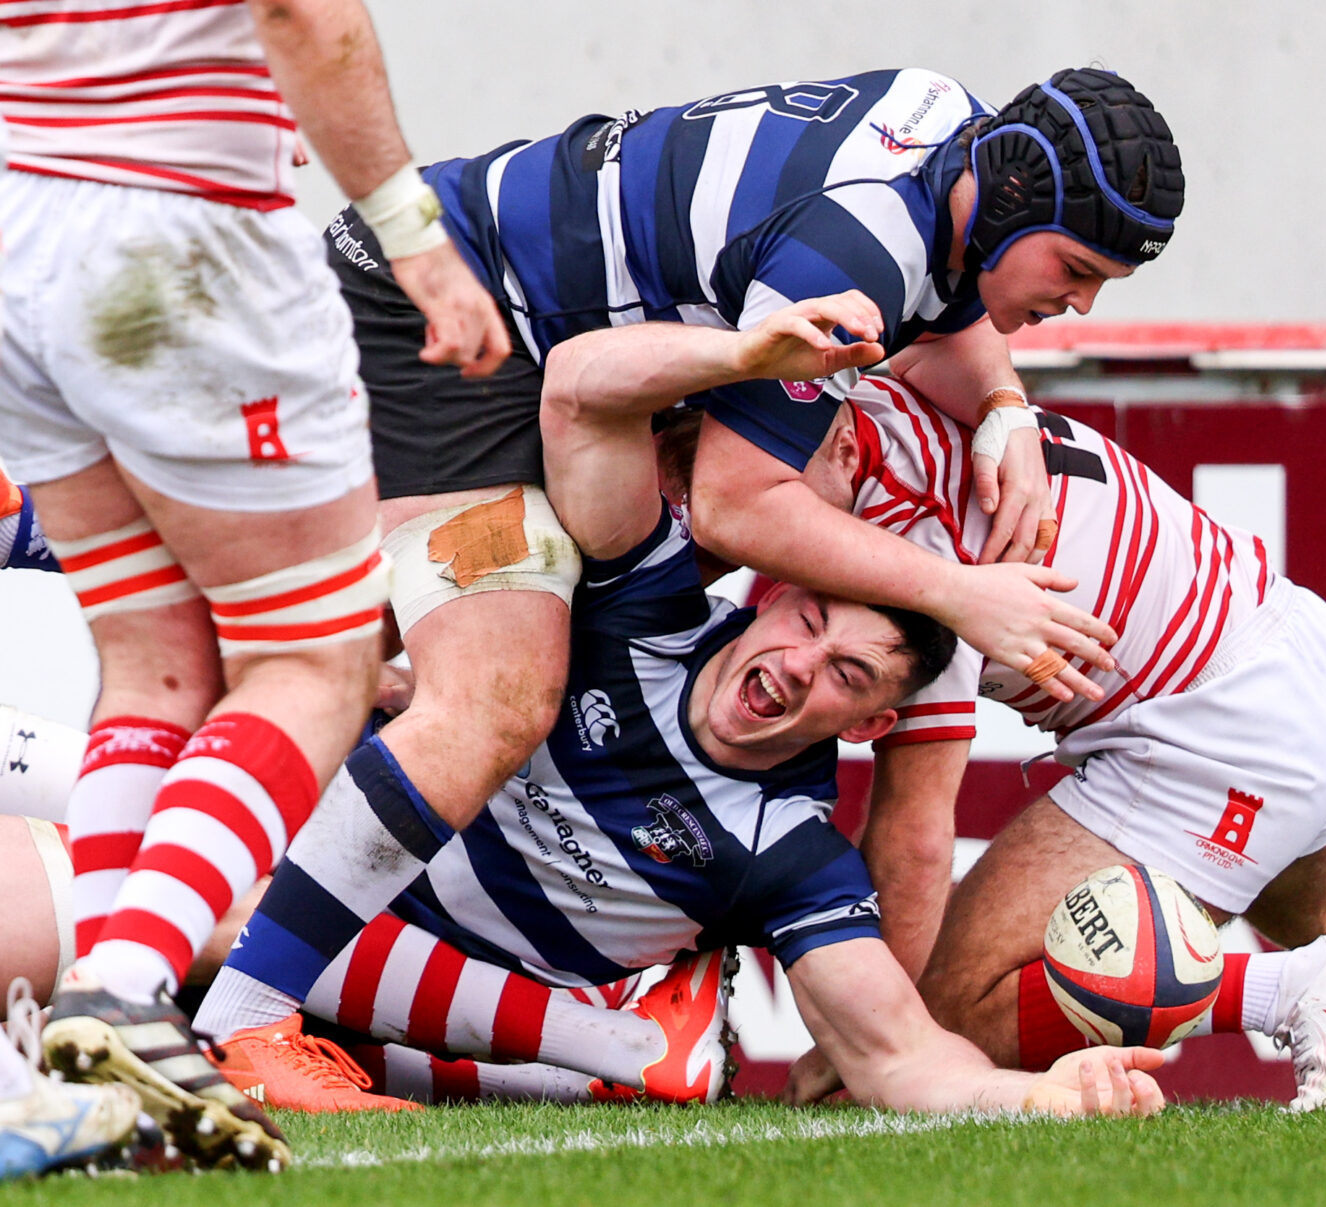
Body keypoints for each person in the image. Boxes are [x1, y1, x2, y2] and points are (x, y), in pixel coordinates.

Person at [216, 66, 1182, 1065]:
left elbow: (938, 307)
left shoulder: (960, 141)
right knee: (494, 694)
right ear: (1013, 199)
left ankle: (173, 933)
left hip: (504, 323)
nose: (1076, 302)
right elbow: (734, 499)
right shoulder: (861, 242)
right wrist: (962, 594)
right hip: (458, 319)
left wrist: (1003, 405)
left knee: (345, 649)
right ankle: (244, 1017)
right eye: (1074, 268)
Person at [193, 310, 1164, 1119]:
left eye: (846, 675)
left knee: (192, 917)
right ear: (774, 597)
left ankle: (609, 1046)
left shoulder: (790, 854)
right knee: (211, 815)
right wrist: (744, 353)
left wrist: (1040, 1099)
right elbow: (577, 388)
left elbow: (900, 1057)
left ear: (868, 725)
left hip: (414, 949)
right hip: (329, 857)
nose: (797, 665)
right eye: (811, 622)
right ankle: (623, 1052)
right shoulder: (642, 605)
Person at [0, 0, 506, 1171]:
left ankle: (91, 1018)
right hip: (174, 219)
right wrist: (413, 237)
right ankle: (121, 995)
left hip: (21, 228)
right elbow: (302, 14)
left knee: (152, 658)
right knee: (310, 655)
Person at [766, 378, 1326, 1110]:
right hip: (1297, 640)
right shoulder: (911, 376)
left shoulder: (902, 548)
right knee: (1308, 898)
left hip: (1222, 730)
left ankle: (1292, 988)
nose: (734, 494)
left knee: (946, 1019)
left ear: (838, 448)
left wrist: (859, 1045)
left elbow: (915, 833)